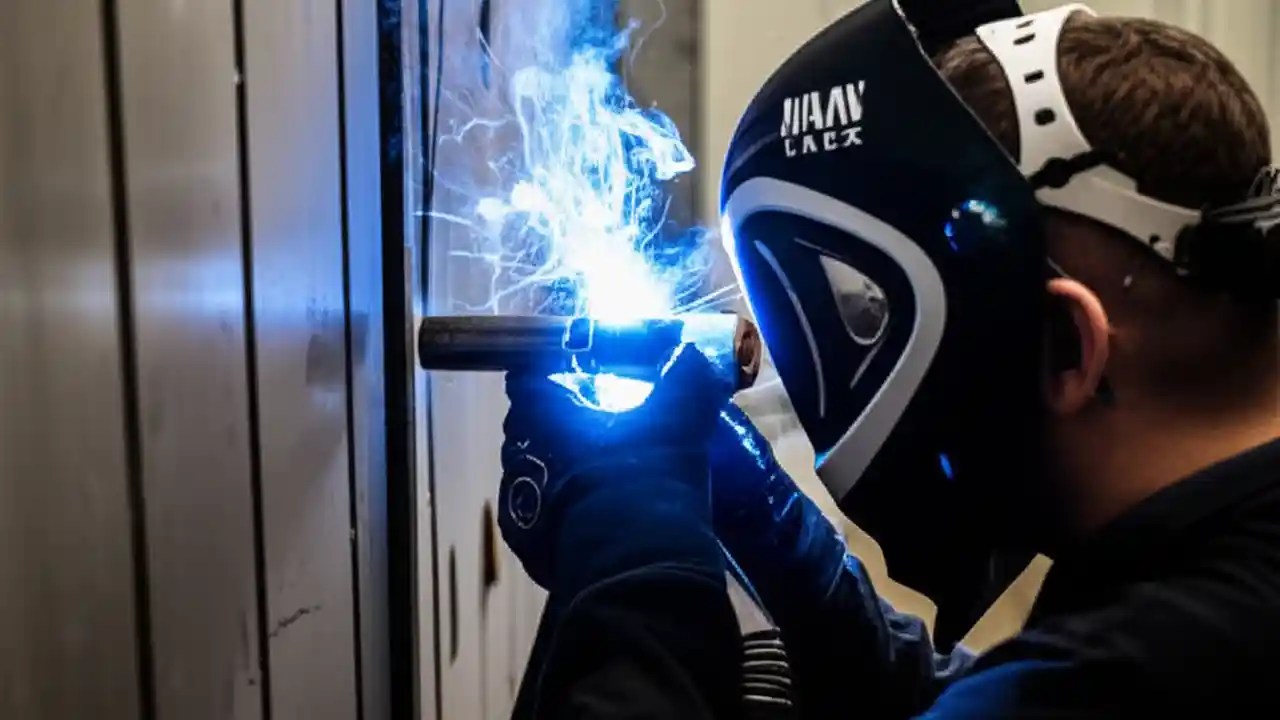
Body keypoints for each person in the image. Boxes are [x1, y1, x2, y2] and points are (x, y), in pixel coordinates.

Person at [498, 1, 1280, 717]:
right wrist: (770, 526)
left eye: (874, 312)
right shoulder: (1214, 586)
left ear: (1066, 345)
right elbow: (967, 698)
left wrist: (636, 571)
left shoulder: (1153, 670)